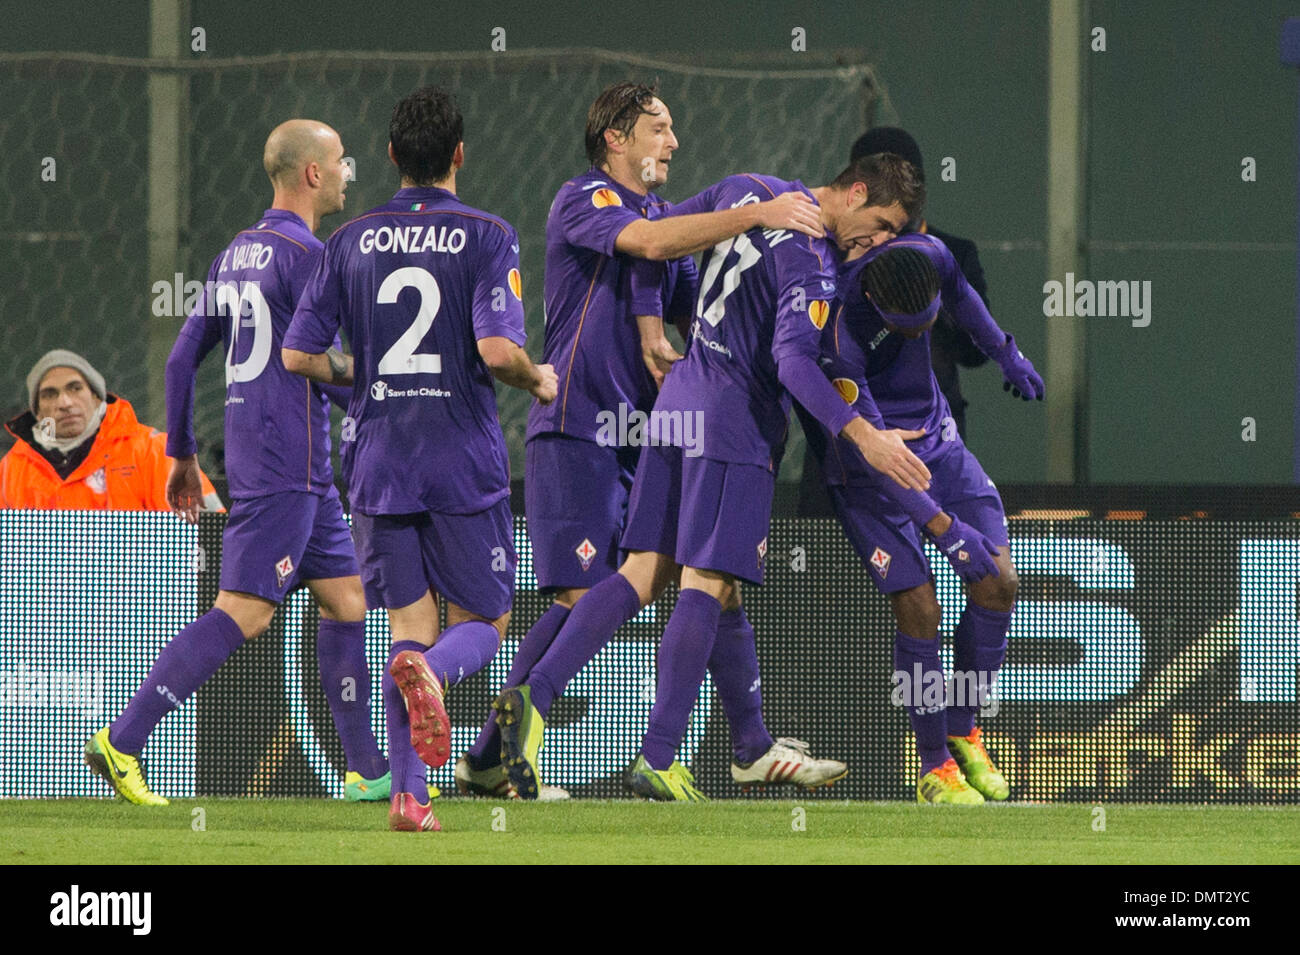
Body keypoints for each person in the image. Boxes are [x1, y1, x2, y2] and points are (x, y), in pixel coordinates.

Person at [495, 154, 933, 801]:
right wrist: (861, 432)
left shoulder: (749, 189)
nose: (880, 241)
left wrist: (651, 327)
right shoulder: (811, 259)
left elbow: (657, 235)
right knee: (708, 577)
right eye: (882, 223)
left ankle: (538, 694)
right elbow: (791, 362)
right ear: (856, 191)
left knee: (643, 570)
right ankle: (658, 757)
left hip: (677, 405)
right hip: (732, 425)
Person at [456, 80, 842, 799]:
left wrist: (668, 331)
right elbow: (651, 245)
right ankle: (505, 740)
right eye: (659, 129)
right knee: (587, 593)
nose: (672, 142)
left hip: (646, 435)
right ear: (617, 139)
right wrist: (759, 209)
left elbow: (679, 282)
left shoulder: (668, 219)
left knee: (696, 579)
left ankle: (749, 742)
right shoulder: (588, 198)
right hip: (577, 427)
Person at [84, 120, 390, 808]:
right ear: (312, 173)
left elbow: (178, 358)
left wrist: (183, 453)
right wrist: (387, 398)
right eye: (341, 161)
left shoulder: (236, 253)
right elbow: (323, 368)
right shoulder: (312, 255)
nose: (349, 172)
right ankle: (123, 739)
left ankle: (367, 769)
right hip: (286, 462)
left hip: (289, 465)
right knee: (245, 611)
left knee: (346, 600)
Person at [283, 87, 558, 832]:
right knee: (488, 618)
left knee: (409, 625)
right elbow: (500, 351)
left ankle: (412, 796)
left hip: (376, 461)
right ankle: (435, 672)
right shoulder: (489, 234)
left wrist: (363, 374)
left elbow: (299, 353)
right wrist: (538, 379)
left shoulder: (348, 241)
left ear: (395, 157)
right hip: (460, 458)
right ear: (459, 155)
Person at [798, 237, 1042, 803]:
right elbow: (878, 457)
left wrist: (1007, 352)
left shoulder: (929, 255)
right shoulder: (840, 337)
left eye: (927, 321)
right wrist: (946, 531)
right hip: (871, 475)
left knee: (1000, 581)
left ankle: (964, 730)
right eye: (909, 327)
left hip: (941, 446)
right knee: (920, 607)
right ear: (881, 308)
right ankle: (935, 768)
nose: (920, 334)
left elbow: (963, 296)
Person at [1, 350, 220, 512]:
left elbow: (208, 537)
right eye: (49, 394)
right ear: (37, 412)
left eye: (75, 388)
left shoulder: (152, 452)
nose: (65, 402)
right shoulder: (12, 469)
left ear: (97, 398)